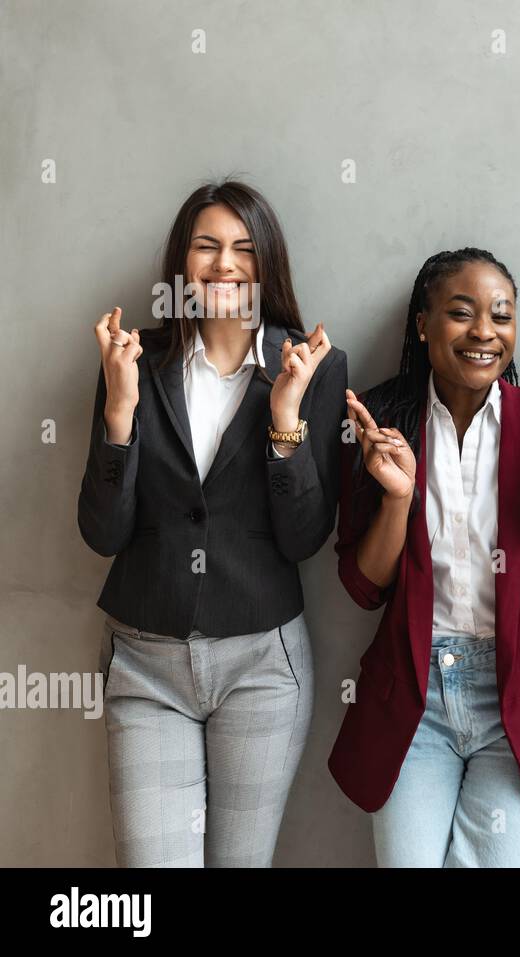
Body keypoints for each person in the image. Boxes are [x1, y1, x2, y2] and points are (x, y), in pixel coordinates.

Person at [78, 179, 347, 867]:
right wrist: (118, 412)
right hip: (145, 664)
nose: (225, 263)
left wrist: (285, 420)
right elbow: (103, 532)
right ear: (182, 261)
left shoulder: (312, 366)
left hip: (261, 663)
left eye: (243, 248)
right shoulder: (134, 358)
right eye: (207, 246)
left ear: (266, 264)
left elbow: (303, 538)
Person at [327, 248, 520, 867]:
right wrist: (398, 499)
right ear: (422, 324)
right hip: (414, 699)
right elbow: (363, 585)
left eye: (501, 316)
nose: (485, 332)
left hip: (516, 701)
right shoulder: (379, 420)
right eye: (461, 313)